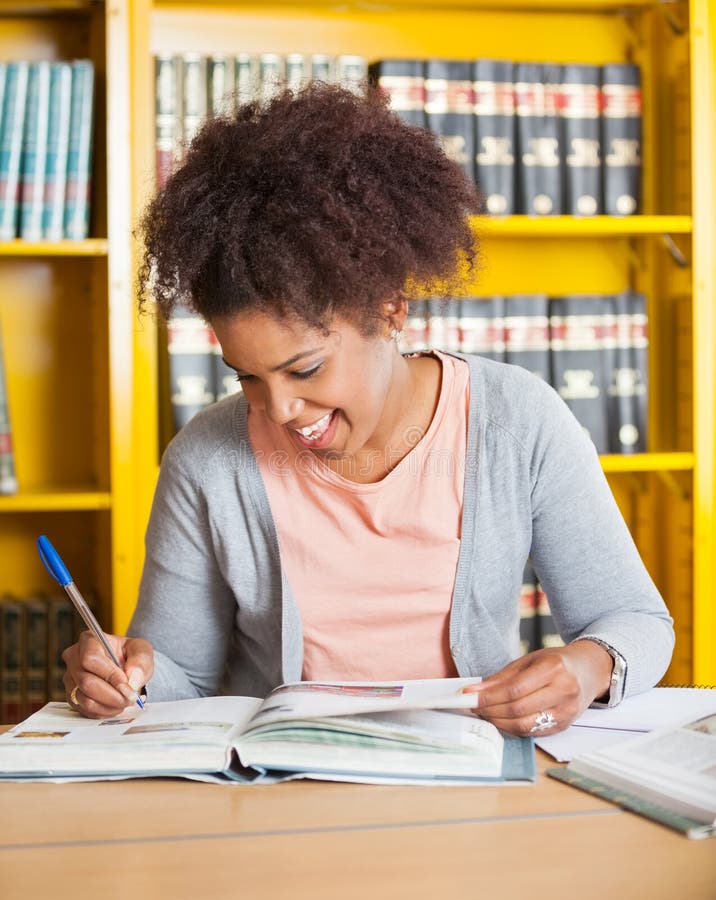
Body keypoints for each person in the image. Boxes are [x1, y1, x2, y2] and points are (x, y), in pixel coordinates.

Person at [62, 83, 674, 736]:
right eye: (248, 377)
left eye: (305, 369)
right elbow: (180, 677)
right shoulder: (207, 459)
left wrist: (585, 666)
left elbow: (635, 620)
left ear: (389, 309)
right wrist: (125, 677)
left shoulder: (517, 422)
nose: (280, 409)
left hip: (472, 775)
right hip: (281, 780)